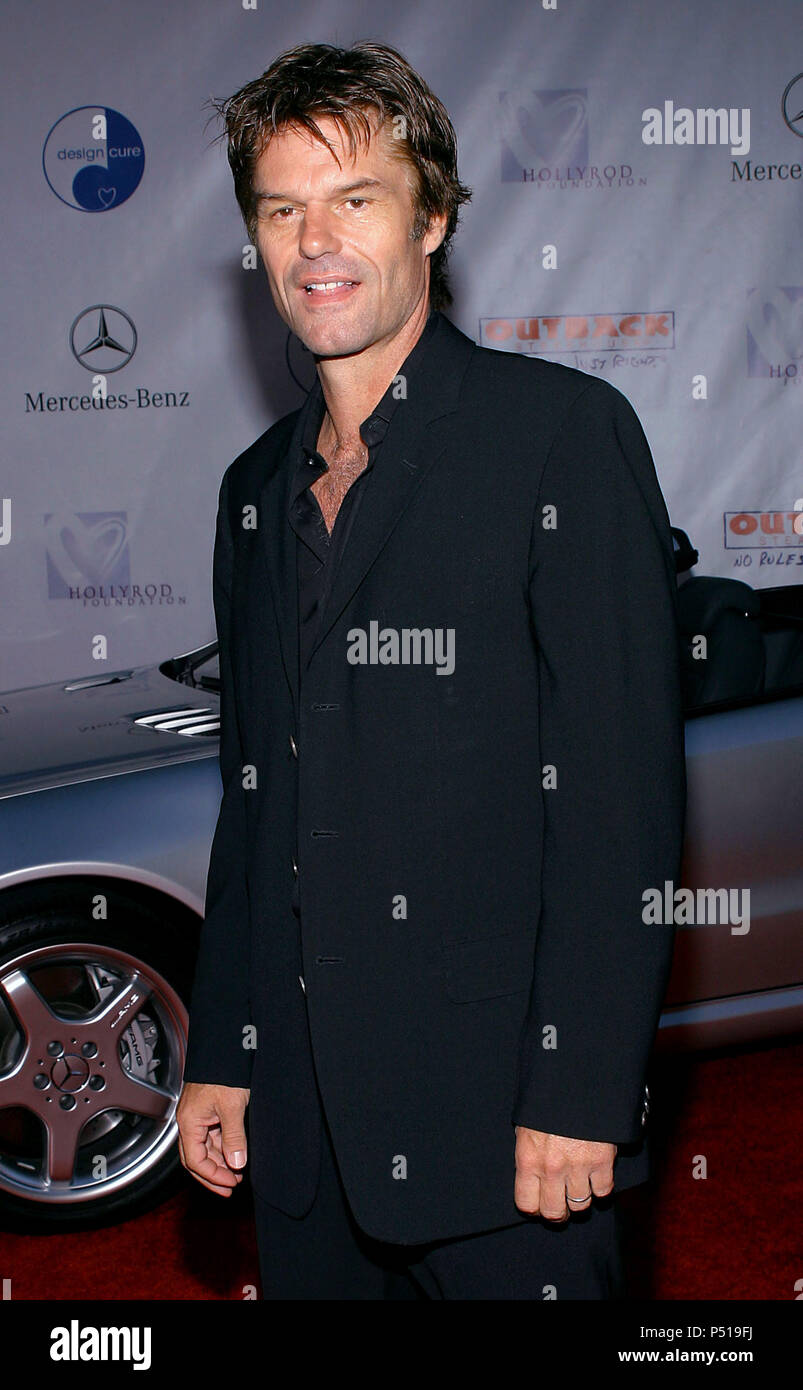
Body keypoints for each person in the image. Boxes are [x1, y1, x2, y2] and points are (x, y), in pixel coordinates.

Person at [177, 40, 687, 1300]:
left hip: (507, 1128)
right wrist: (225, 1049)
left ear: (434, 218)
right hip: (303, 1131)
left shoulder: (558, 438)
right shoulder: (253, 491)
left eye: (355, 200)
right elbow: (256, 809)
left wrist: (579, 1090)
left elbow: (619, 808)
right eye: (282, 209)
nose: (314, 242)